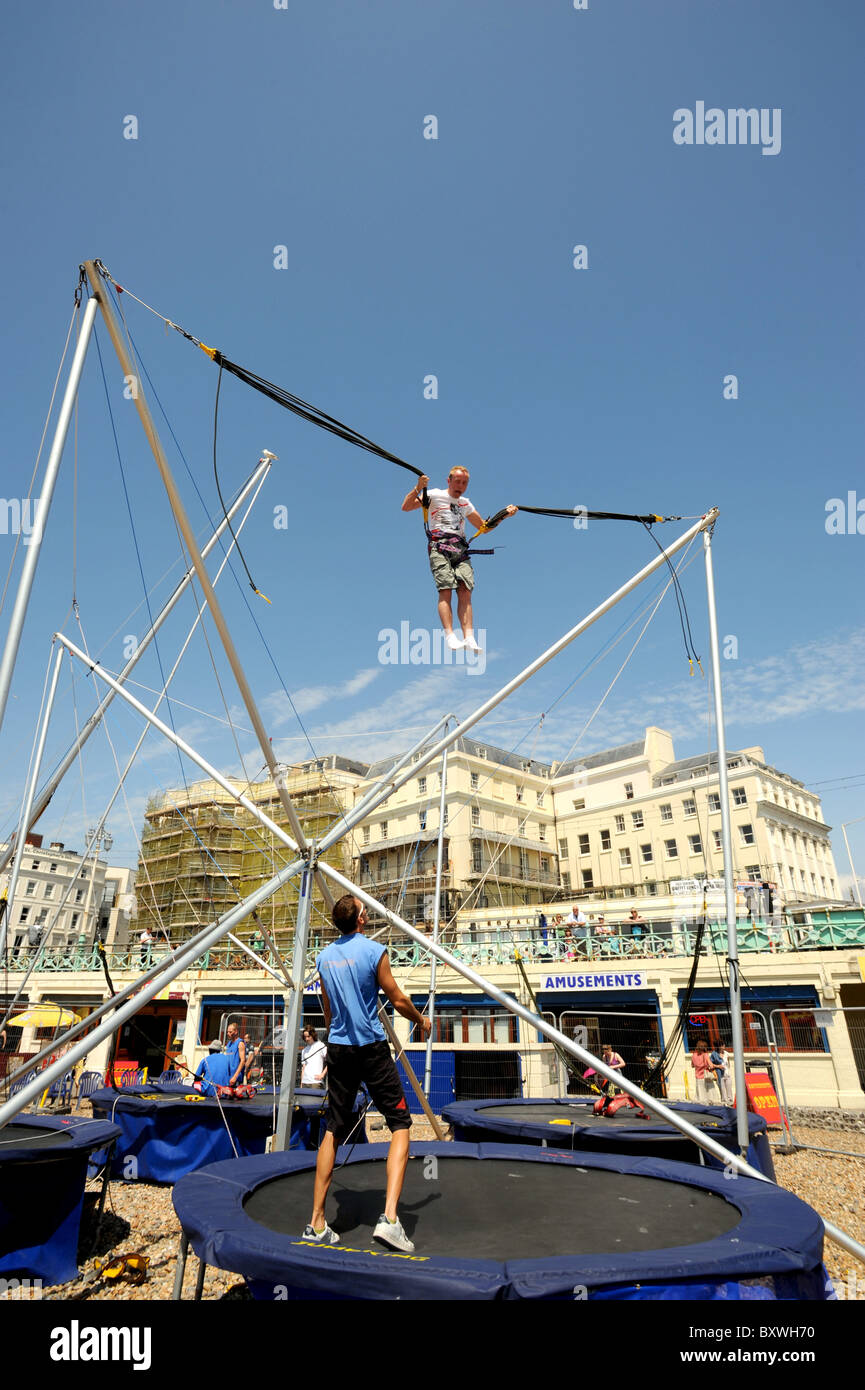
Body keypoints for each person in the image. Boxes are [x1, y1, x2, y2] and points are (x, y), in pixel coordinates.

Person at [305, 894, 431, 1253]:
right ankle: (390, 1218)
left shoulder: (324, 958)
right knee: (400, 1124)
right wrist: (421, 1020)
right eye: (365, 912)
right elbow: (397, 999)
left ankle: (316, 1221)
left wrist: (336, 1041)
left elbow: (328, 1012)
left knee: (333, 1126)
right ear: (360, 919)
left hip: (340, 1048)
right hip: (371, 1048)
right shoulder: (374, 952)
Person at [401, 467, 516, 652]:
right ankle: (450, 636)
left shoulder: (465, 503)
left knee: (465, 591)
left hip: (459, 548)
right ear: (449, 481)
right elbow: (406, 507)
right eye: (457, 481)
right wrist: (418, 486)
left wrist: (504, 515)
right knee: (445, 589)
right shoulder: (434, 495)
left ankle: (469, 637)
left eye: (464, 483)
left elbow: (484, 527)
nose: (460, 486)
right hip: (439, 547)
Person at [225, 1022, 246, 1087]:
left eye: (230, 1032)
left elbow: (243, 1061)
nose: (228, 1034)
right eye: (227, 1032)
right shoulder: (229, 1044)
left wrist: (235, 1076)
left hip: (236, 1078)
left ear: (236, 1032)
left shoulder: (240, 1043)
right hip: (228, 1077)